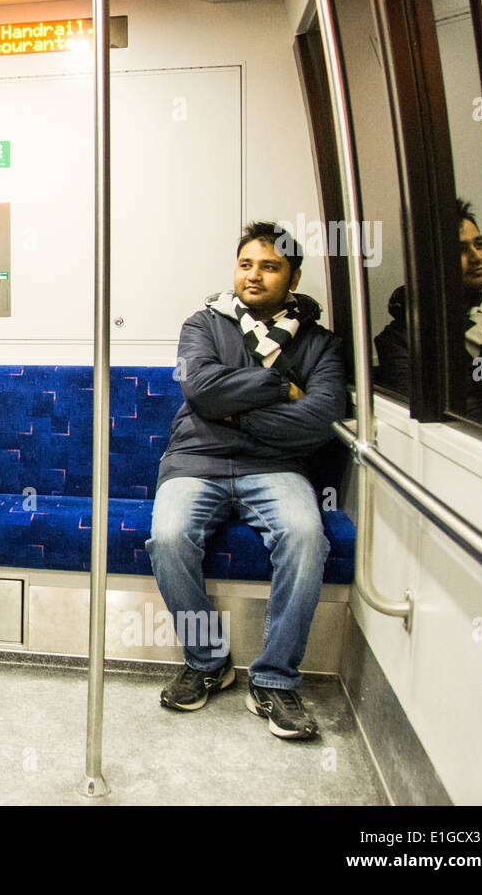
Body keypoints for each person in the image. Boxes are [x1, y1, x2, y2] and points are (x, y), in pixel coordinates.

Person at [145, 221, 346, 740]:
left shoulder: (321, 343)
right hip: (197, 460)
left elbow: (322, 419)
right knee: (167, 538)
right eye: (246, 264)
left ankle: (276, 678)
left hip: (276, 466)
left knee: (306, 537)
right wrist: (280, 384)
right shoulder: (203, 324)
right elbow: (201, 389)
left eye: (270, 266)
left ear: (293, 276)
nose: (253, 275)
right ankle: (208, 661)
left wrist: (233, 413)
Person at [375, 198, 482, 432]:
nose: (477, 256)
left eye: (479, 244)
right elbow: (426, 417)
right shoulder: (399, 338)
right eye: (461, 250)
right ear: (433, 262)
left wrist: (474, 370)